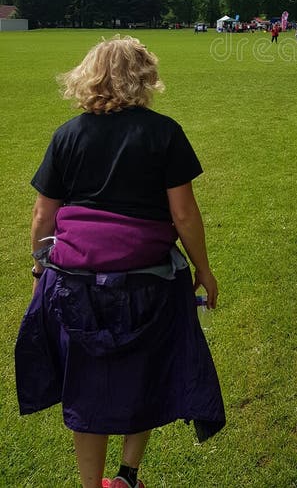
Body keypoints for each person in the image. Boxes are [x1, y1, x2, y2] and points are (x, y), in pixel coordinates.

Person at [15, 36, 225, 488]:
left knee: (87, 388)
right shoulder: (163, 132)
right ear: (144, 76)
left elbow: (42, 216)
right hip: (146, 284)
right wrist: (203, 269)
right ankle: (128, 476)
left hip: (73, 284)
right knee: (143, 374)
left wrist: (39, 270)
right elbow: (183, 213)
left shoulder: (68, 134)